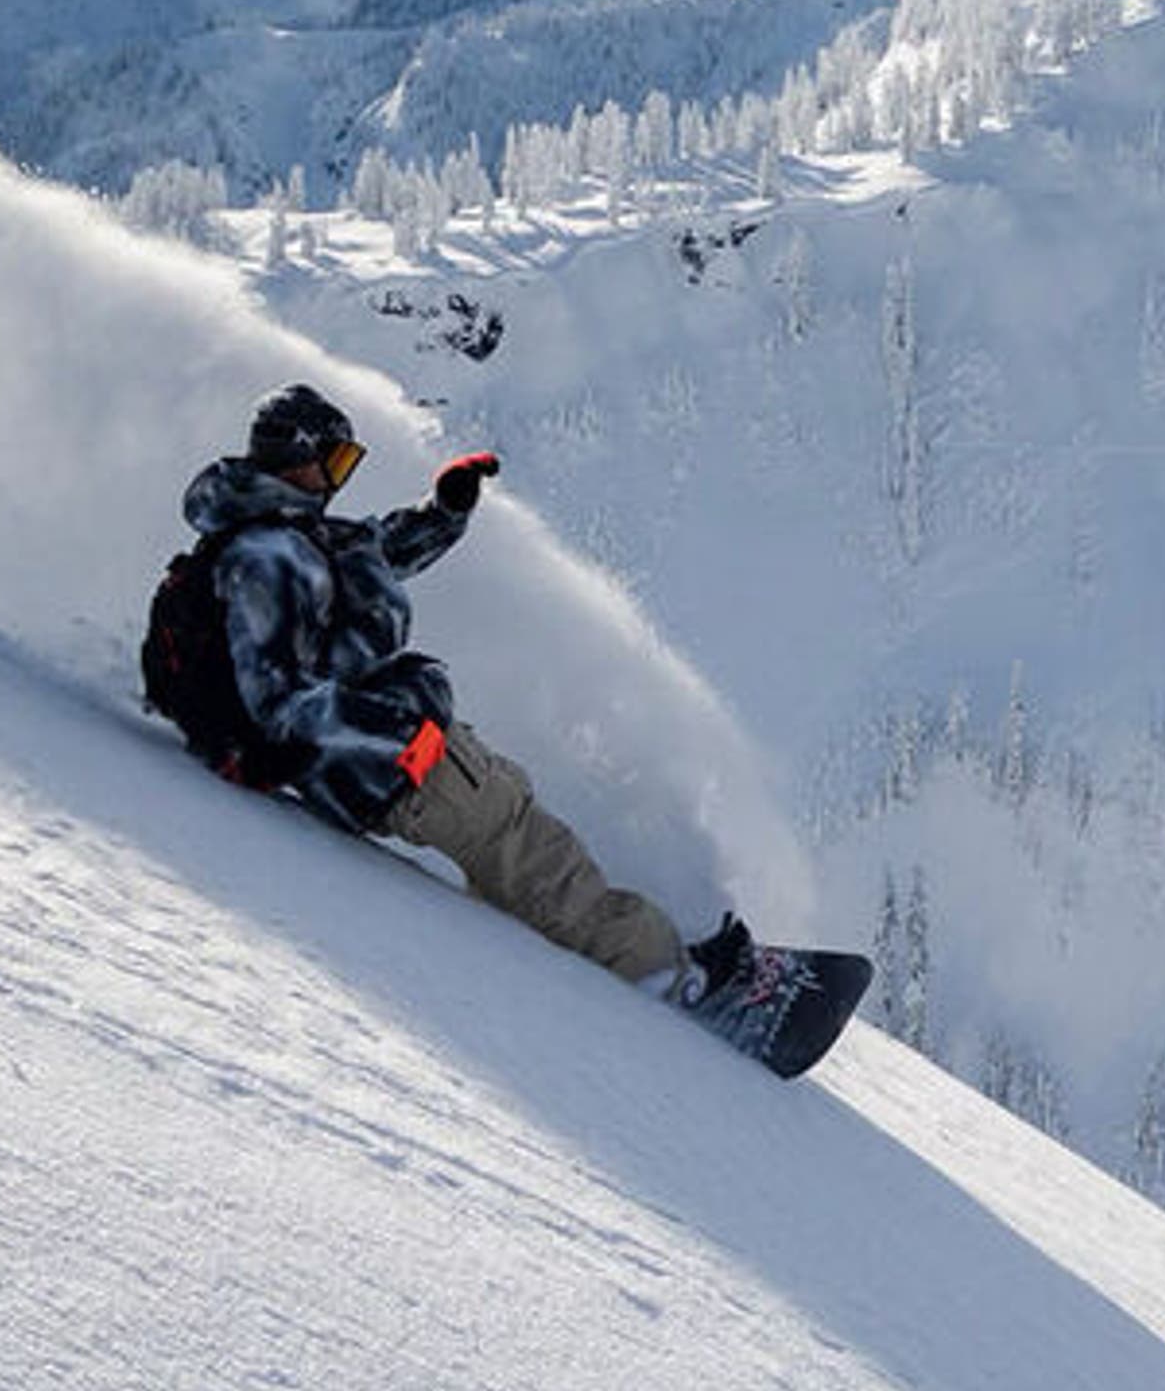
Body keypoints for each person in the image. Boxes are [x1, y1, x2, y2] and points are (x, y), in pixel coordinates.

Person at [174, 382, 751, 1001]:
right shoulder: (271, 556)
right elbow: (278, 704)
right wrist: (398, 737)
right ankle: (675, 981)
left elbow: (375, 551)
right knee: (527, 852)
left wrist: (443, 512)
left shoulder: (288, 532)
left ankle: (637, 962)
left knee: (516, 823)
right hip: (383, 762)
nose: (338, 477)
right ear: (298, 457)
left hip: (394, 747)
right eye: (335, 460)